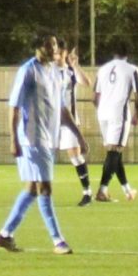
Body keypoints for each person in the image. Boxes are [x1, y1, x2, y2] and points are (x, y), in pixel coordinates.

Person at [0, 32, 76, 253]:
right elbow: (14, 107)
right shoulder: (27, 71)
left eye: (56, 45)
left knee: (32, 189)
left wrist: (78, 134)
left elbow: (61, 108)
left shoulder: (54, 71)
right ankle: (58, 240)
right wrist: (13, 139)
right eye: (50, 45)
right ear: (38, 47)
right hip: (31, 138)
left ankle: (5, 234)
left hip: (48, 138)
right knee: (45, 187)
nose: (55, 49)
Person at [92, 45, 138, 202]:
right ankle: (102, 190)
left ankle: (127, 190)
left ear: (113, 53)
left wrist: (103, 109)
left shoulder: (102, 69)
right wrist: (137, 115)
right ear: (128, 54)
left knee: (115, 153)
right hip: (118, 113)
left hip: (102, 113)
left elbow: (94, 97)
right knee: (114, 152)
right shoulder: (132, 70)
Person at [54, 39, 95, 205]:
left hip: (69, 119)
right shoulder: (49, 71)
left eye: (58, 52)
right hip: (51, 120)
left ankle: (87, 193)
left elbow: (87, 83)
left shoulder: (70, 71)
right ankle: (40, 192)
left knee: (76, 157)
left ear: (64, 53)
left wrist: (76, 65)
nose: (55, 55)